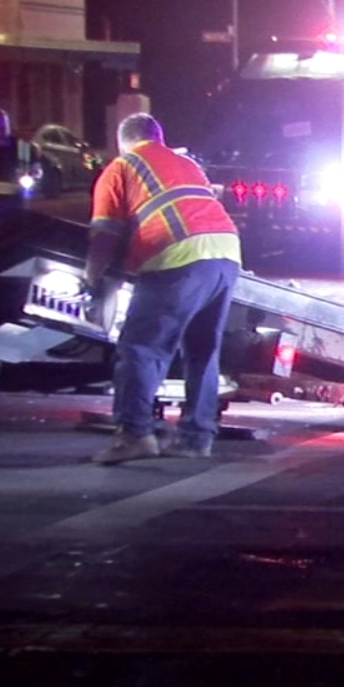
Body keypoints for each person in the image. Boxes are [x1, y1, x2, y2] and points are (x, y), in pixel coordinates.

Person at [85, 113, 244, 464]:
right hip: (226, 254)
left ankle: (135, 434)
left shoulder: (122, 166)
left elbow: (105, 234)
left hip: (176, 256)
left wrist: (92, 276)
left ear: (121, 140)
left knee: (141, 349)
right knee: (202, 351)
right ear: (159, 137)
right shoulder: (184, 162)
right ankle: (196, 438)